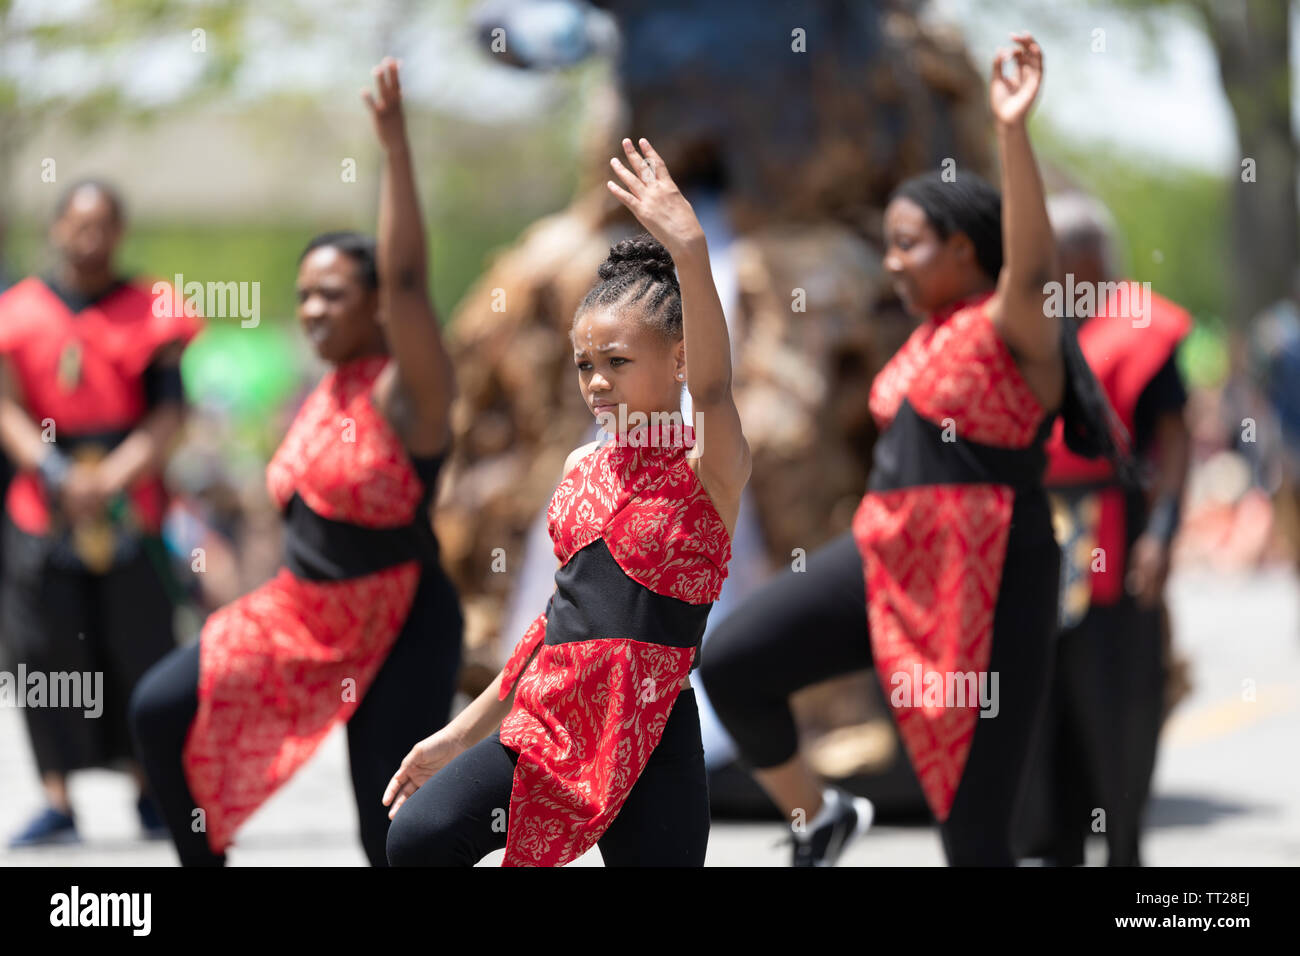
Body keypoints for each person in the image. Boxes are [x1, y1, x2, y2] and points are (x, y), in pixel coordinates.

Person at [699, 33, 1129, 866]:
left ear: (966, 249)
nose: (891, 262)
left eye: (908, 244)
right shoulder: (924, 338)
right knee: (736, 661)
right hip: (888, 552)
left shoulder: (1015, 335)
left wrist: (1012, 131)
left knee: (974, 836)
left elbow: (1036, 272)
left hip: (993, 573)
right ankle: (818, 815)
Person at [129, 58, 462, 866]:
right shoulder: (328, 389)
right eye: (303, 294)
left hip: (399, 621)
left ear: (376, 305)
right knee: (159, 706)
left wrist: (394, 150)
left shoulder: (406, 393)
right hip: (300, 613)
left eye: (334, 295)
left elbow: (412, 278)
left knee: (386, 829)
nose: (312, 311)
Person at [383, 137, 751, 867]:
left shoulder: (709, 463)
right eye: (586, 364)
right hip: (550, 719)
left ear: (677, 358)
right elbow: (556, 623)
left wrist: (690, 252)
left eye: (619, 361)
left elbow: (713, 390)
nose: (597, 382)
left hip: (650, 732)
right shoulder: (582, 465)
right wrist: (461, 734)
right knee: (418, 840)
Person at [0, 180, 201, 847]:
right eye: (78, 225)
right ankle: (56, 795)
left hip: (129, 500)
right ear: (57, 228)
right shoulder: (17, 310)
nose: (91, 239)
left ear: (120, 231)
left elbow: (170, 409)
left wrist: (113, 476)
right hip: (43, 502)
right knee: (40, 648)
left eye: (104, 226)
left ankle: (150, 788)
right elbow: (6, 406)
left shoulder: (154, 308)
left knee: (141, 646)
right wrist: (53, 469)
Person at [1016, 192, 1191, 866]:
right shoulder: (1032, 326)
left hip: (1116, 536)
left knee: (1115, 710)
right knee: (1042, 714)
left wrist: (1164, 532)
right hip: (1038, 534)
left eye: (1054, 256)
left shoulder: (1141, 327)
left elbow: (1174, 441)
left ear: (1086, 258)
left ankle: (1124, 856)